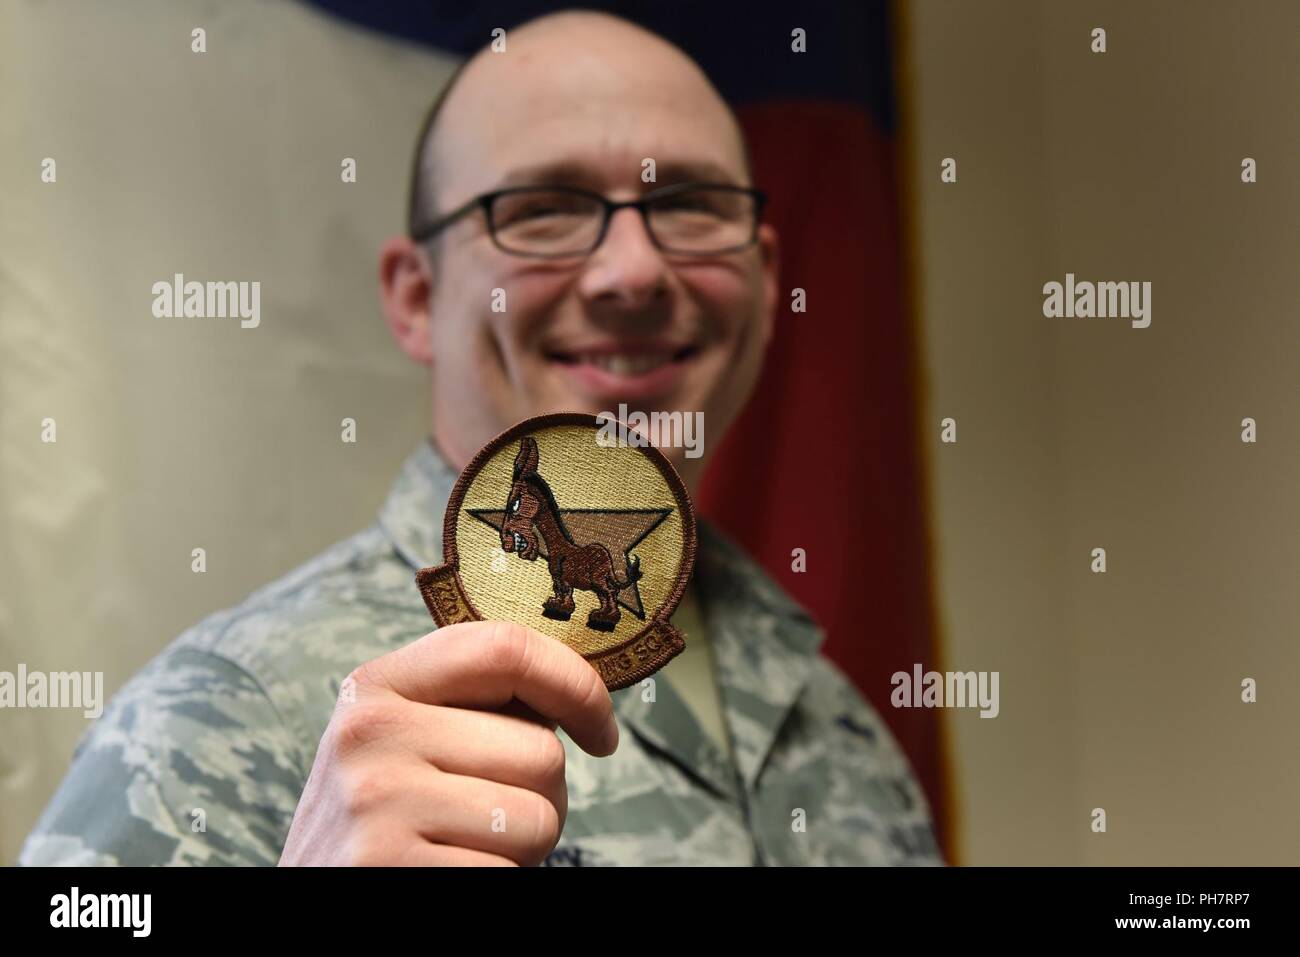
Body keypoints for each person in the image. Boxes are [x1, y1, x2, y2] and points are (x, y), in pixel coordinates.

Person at [21, 10, 942, 867]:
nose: (634, 271)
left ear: (765, 277)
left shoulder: (839, 719)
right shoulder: (223, 712)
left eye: (692, 204)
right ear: (417, 297)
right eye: (544, 210)